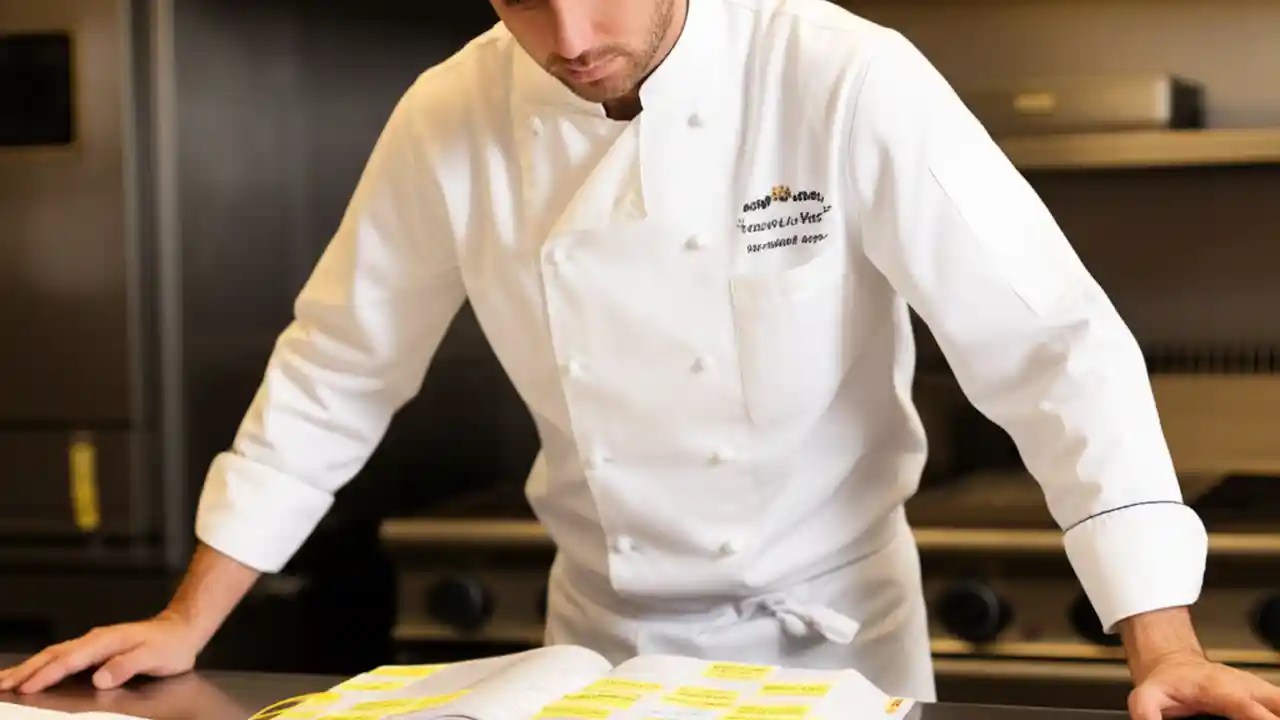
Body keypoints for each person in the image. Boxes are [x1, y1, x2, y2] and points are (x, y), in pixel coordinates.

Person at [4, 0, 1279, 717]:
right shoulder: (449, 111)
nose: (568, 35)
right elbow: (339, 363)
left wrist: (1160, 645)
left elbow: (1050, 348)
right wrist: (188, 618)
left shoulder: (835, 73)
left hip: (830, 649)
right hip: (594, 654)